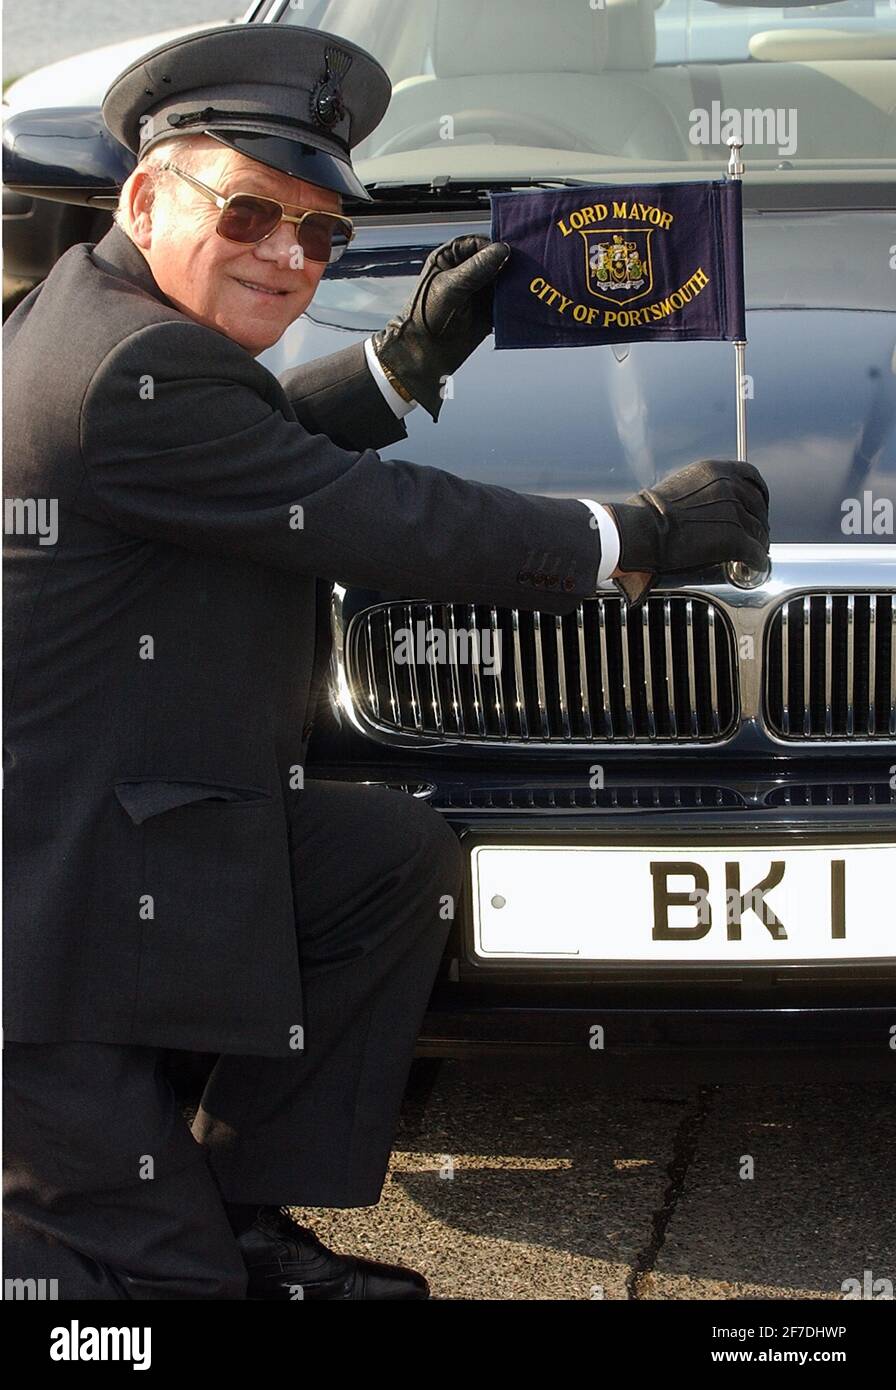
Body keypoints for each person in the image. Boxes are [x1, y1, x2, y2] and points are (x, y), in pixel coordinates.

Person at [2, 23, 770, 1300]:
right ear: (145, 193)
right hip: (48, 944)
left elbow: (236, 451)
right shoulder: (127, 369)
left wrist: (399, 364)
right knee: (133, 1298)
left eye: (321, 234)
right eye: (251, 213)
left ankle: (243, 1216)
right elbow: (378, 520)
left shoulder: (103, 313)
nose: (288, 258)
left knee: (381, 858)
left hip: (114, 843)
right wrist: (627, 537)